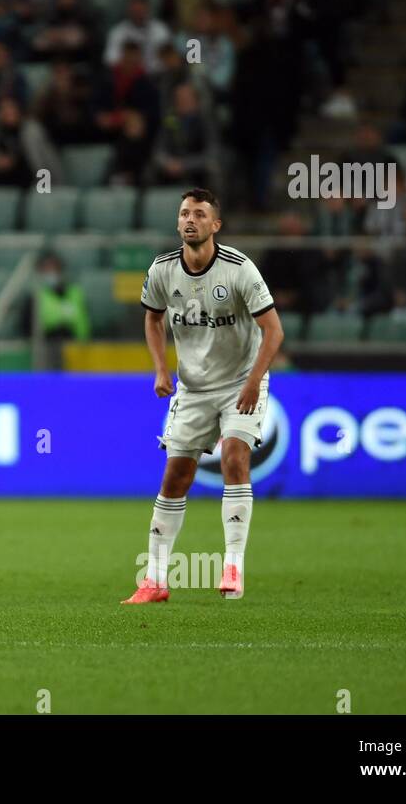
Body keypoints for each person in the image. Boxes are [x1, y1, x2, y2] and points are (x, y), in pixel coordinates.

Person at [125, 188, 284, 604]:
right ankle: (155, 580)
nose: (189, 219)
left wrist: (253, 382)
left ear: (216, 225)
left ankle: (233, 566)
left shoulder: (239, 269)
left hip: (239, 382)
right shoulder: (162, 269)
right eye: (183, 213)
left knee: (234, 456)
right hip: (193, 388)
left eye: (199, 213)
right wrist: (161, 367)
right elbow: (153, 318)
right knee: (175, 475)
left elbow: (274, 330)